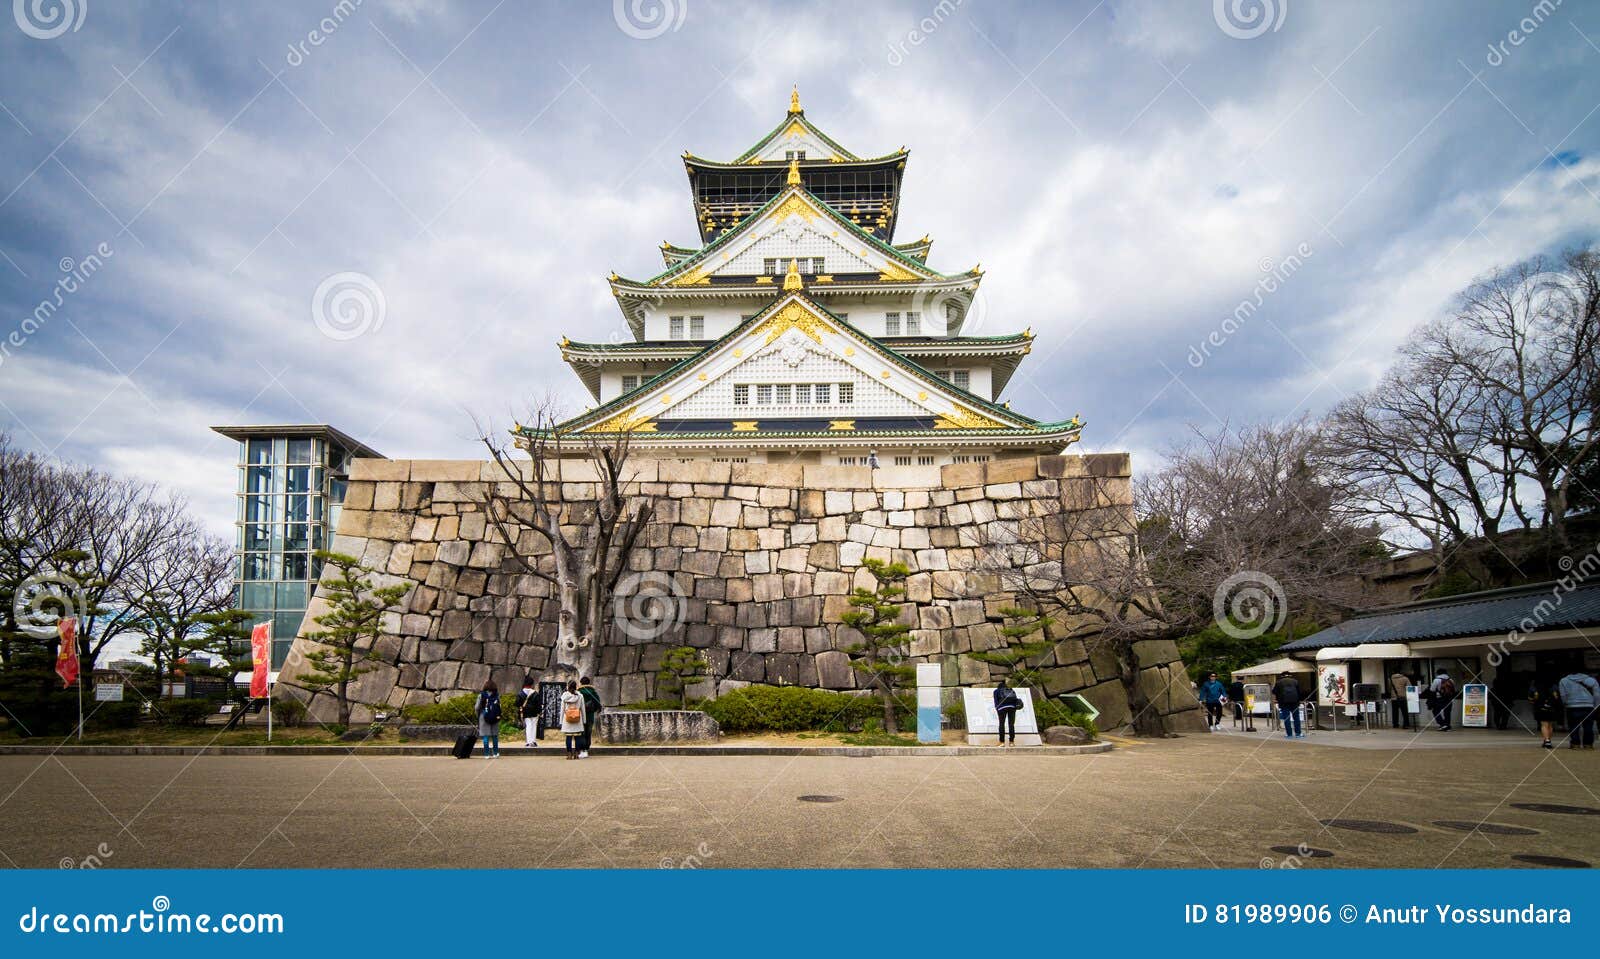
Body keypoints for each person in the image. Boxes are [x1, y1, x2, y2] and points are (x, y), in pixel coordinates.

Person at [1557, 669, 1599, 749]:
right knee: (1588, 726)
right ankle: (1588, 744)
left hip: (1572, 706)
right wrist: (1596, 706)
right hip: (1588, 706)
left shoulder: (1563, 680)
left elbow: (1563, 695)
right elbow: (1597, 694)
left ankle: (1575, 744)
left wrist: (1565, 703)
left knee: (1573, 726)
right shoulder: (1591, 680)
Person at [1529, 677, 1561, 749]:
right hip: (1552, 708)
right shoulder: (1554, 686)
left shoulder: (1535, 686)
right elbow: (1558, 697)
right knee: (1550, 725)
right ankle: (1548, 740)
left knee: (1544, 725)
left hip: (1540, 707)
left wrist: (1534, 703)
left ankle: (1547, 741)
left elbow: (1531, 697)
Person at [577, 675, 604, 759]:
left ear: (581, 683)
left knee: (581, 733)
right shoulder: (593, 692)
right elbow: (597, 702)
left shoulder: (578, 692)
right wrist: (595, 710)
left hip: (580, 715)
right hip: (590, 715)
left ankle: (581, 750)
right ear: (589, 683)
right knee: (588, 733)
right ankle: (586, 750)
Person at [1271, 671, 1304, 739]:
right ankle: (1298, 733)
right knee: (1296, 718)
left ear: (1282, 676)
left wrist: (1279, 695)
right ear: (1290, 675)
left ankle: (1289, 734)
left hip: (1283, 702)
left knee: (1286, 718)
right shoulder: (1295, 681)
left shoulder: (1278, 682)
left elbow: (1274, 691)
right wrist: (1299, 700)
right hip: (1295, 702)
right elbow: (1300, 692)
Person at [475, 679, 501, 758]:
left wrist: (478, 715)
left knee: (485, 736)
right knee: (494, 736)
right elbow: (499, 706)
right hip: (495, 717)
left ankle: (486, 754)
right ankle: (495, 753)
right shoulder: (497, 695)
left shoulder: (481, 695)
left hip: (484, 716)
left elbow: (477, 707)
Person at [560, 680, 586, 759]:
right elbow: (582, 709)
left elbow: (562, 709)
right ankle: (576, 754)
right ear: (575, 687)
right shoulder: (580, 696)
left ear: (568, 686)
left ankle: (569, 754)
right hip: (577, 718)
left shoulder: (564, 696)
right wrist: (584, 720)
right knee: (577, 738)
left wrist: (561, 721)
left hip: (567, 719)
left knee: (568, 737)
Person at [993, 679, 1022, 746]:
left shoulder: (996, 691)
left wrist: (997, 708)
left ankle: (1002, 742)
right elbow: (1015, 699)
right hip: (1012, 707)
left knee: (1001, 724)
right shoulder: (1011, 690)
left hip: (1002, 708)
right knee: (1011, 724)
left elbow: (996, 701)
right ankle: (1011, 742)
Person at [515, 675, 541, 747]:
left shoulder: (520, 693)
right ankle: (533, 741)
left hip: (525, 712)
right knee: (534, 726)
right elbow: (538, 704)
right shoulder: (535, 693)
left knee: (528, 726)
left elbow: (517, 704)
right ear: (531, 684)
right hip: (534, 712)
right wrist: (539, 712)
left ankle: (529, 742)